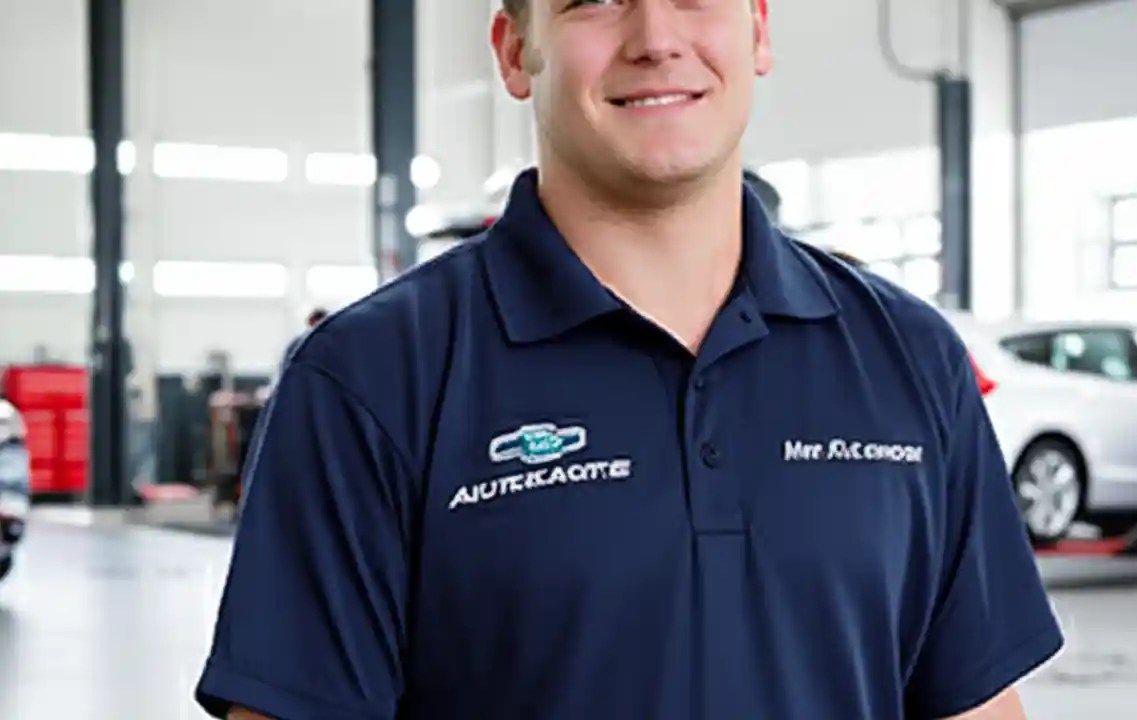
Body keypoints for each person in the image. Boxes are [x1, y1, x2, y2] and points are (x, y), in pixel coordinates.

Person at [196, 1, 1064, 718]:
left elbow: (974, 702)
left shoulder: (908, 361)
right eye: (595, 0)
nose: (655, 36)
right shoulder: (369, 380)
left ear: (759, 29)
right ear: (515, 50)